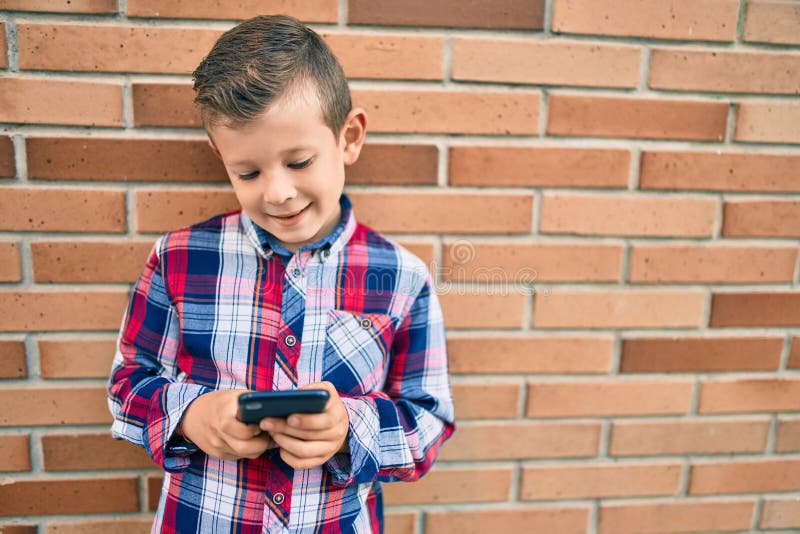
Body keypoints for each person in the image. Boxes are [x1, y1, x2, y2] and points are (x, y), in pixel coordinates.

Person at [107, 13, 455, 534]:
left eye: (299, 162)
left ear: (349, 138)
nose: (276, 192)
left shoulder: (402, 278)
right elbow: (126, 385)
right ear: (220, 156)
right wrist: (193, 415)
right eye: (247, 172)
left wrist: (349, 428)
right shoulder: (178, 259)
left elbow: (430, 419)